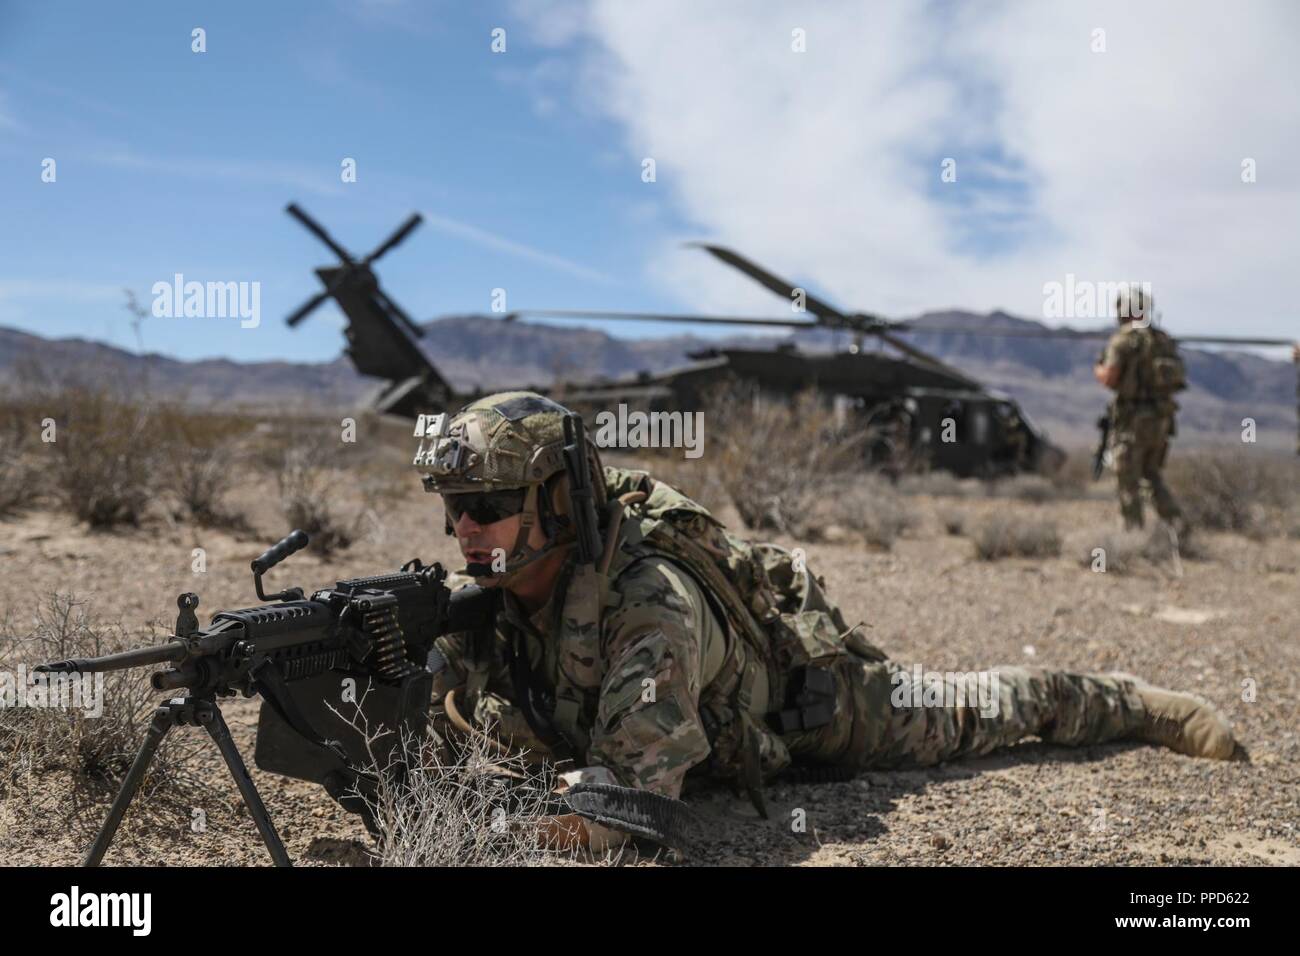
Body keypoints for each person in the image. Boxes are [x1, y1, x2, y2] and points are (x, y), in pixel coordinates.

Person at [419, 391, 1236, 851]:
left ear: (559, 502)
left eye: (488, 506)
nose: (465, 530)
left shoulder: (647, 602)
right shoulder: (490, 591)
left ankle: (1131, 702)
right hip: (702, 731)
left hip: (810, 706)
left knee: (980, 710)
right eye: (455, 507)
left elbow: (623, 818)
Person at [1093, 286, 1187, 531]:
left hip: (1132, 422)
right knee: (1152, 476)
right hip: (1161, 420)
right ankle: (1178, 527)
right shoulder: (1162, 340)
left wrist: (1098, 368)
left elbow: (1110, 378)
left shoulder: (1123, 341)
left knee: (1127, 479)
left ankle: (1133, 534)